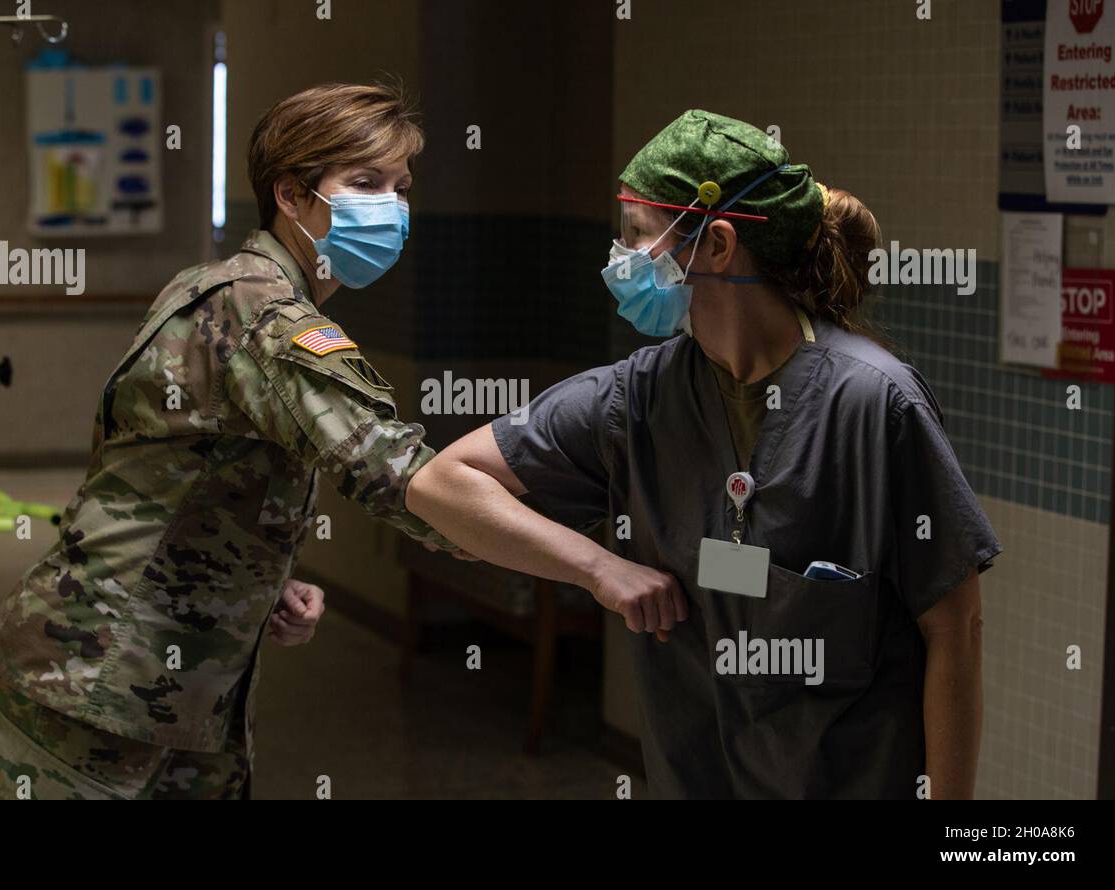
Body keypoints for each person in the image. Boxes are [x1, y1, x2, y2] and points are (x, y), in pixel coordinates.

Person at [406, 110, 1001, 799]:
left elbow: (957, 626)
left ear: (717, 244)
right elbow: (439, 485)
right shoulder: (636, 399)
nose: (619, 257)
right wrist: (599, 568)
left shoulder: (873, 405)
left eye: (635, 234)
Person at [0, 81, 463, 799]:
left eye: (400, 185)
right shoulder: (260, 310)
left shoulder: (222, 283)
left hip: (181, 688)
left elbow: (173, 467)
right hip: (95, 683)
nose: (390, 206)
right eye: (364, 183)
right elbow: (394, 477)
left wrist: (257, 573)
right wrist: (590, 562)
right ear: (291, 196)